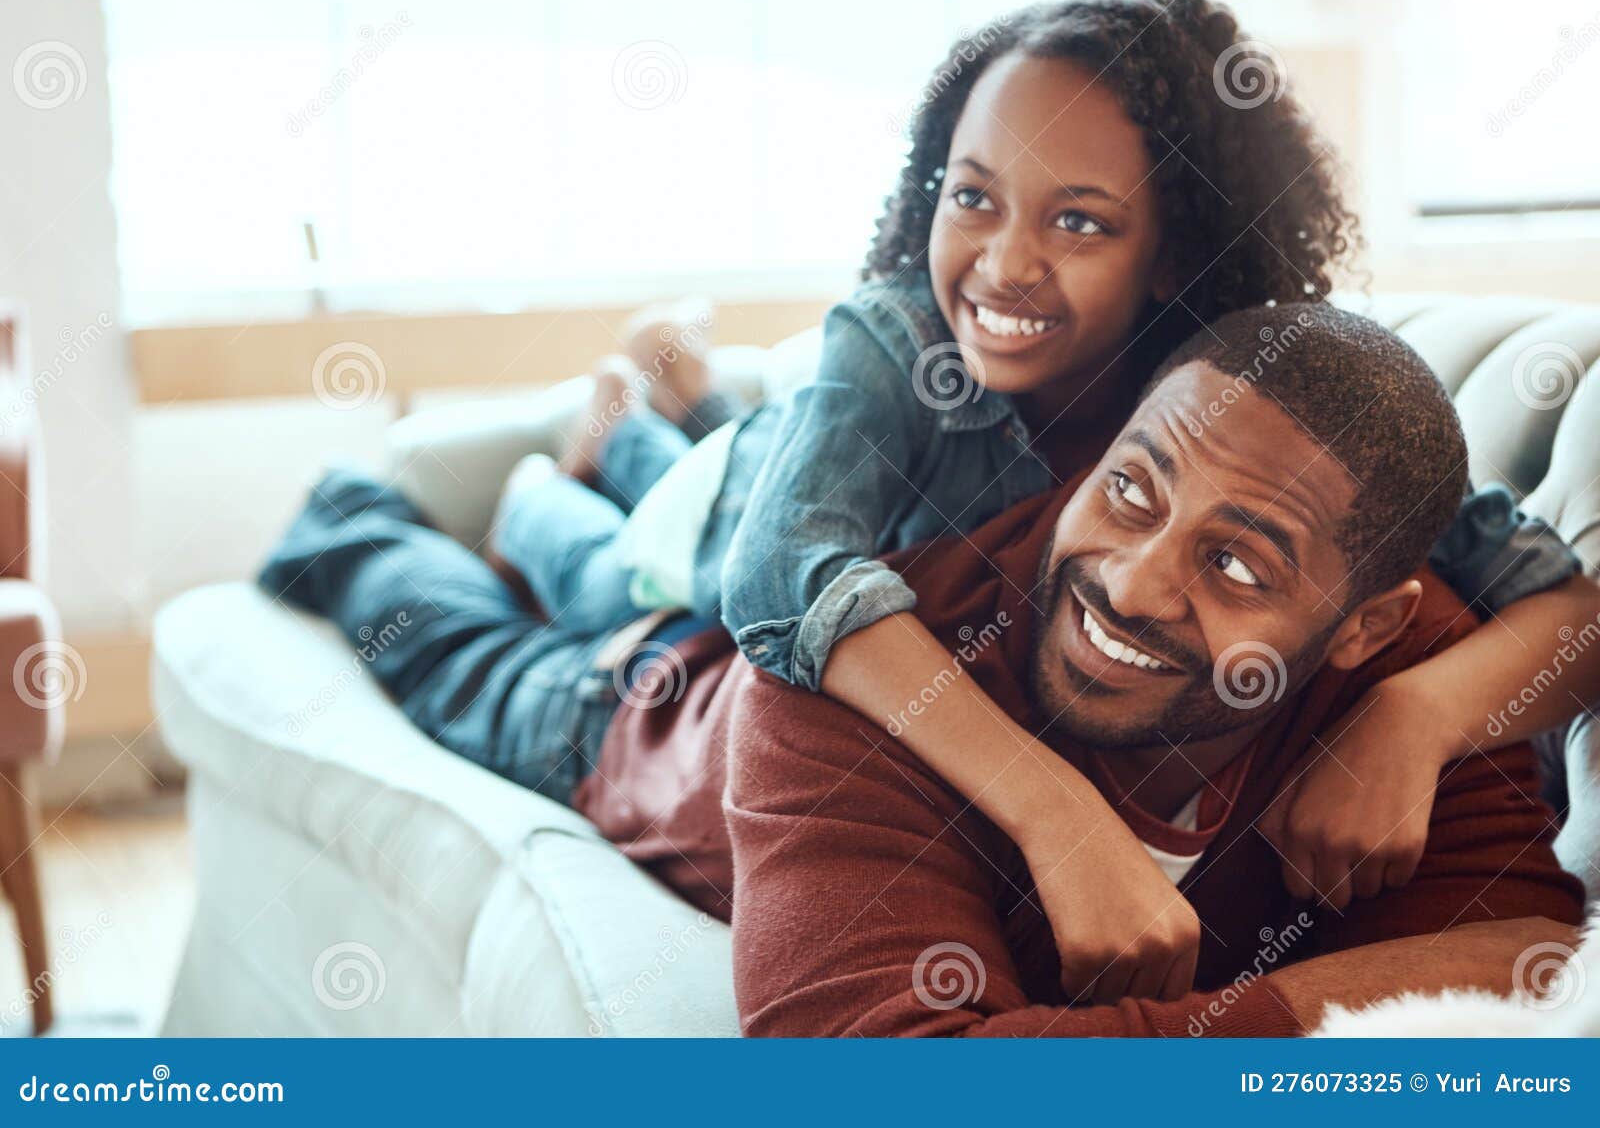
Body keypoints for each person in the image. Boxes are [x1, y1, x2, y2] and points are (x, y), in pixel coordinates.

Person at [260, 0, 1598, 1004]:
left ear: (1176, 248)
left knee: (676, 495)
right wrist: (1053, 806)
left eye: (1079, 220)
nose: (1003, 264)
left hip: (763, 553)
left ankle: (663, 408)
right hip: (716, 611)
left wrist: (1418, 716)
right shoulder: (901, 337)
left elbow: (1554, 599)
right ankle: (565, 458)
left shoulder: (1240, 396)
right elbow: (777, 575)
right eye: (973, 197)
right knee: (597, 565)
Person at [577, 303, 1587, 1034]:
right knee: (558, 566)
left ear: (1367, 627)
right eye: (1132, 490)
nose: (1133, 586)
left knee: (673, 501)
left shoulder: (1415, 682)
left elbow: (1520, 974)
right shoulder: (849, 682)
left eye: (1237, 564)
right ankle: (604, 433)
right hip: (637, 707)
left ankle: (670, 407)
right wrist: (1332, 1000)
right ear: (1095, 456)